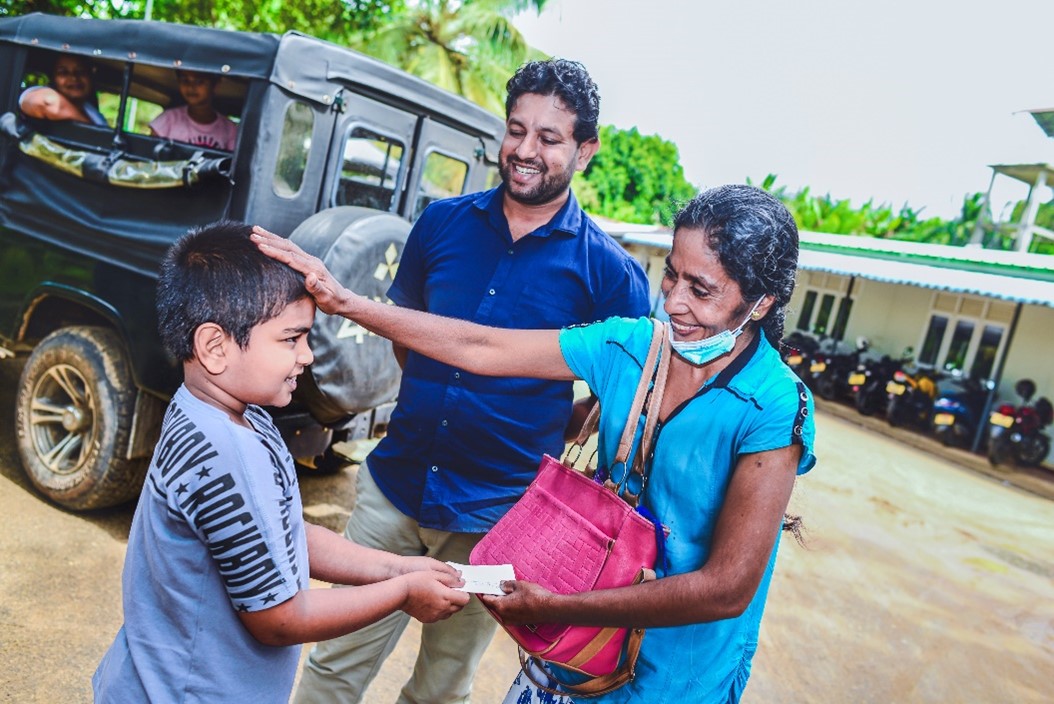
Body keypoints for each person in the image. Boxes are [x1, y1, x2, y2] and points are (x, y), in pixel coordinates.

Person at [253, 182, 817, 703]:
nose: (673, 301)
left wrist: (556, 606)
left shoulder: (773, 405)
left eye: (702, 289)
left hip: (677, 676)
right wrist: (348, 303)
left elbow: (726, 589)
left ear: (761, 303)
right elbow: (482, 347)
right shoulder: (633, 346)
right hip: (573, 657)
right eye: (671, 275)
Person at [291, 58, 651, 704]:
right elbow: (408, 337)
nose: (525, 150)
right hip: (394, 483)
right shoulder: (440, 224)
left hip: (495, 517)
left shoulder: (610, 275)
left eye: (549, 137)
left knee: (443, 685)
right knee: (335, 665)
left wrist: (540, 425)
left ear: (586, 151)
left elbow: (615, 398)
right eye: (516, 130)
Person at [91, 221, 469, 704]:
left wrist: (399, 569)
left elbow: (286, 532)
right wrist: (402, 595)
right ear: (214, 346)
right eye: (291, 339)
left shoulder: (231, 411)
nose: (308, 356)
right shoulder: (222, 452)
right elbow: (280, 619)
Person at [149, 69, 238, 151]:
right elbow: (149, 154)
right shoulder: (168, 119)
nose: (191, 87)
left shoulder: (230, 129)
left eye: (199, 81)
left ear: (216, 85)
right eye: (185, 81)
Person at [19, 53, 107, 126]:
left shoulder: (93, 112)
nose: (74, 78)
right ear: (52, 78)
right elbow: (49, 103)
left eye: (80, 71)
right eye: (63, 72)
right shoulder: (35, 92)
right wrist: (91, 131)